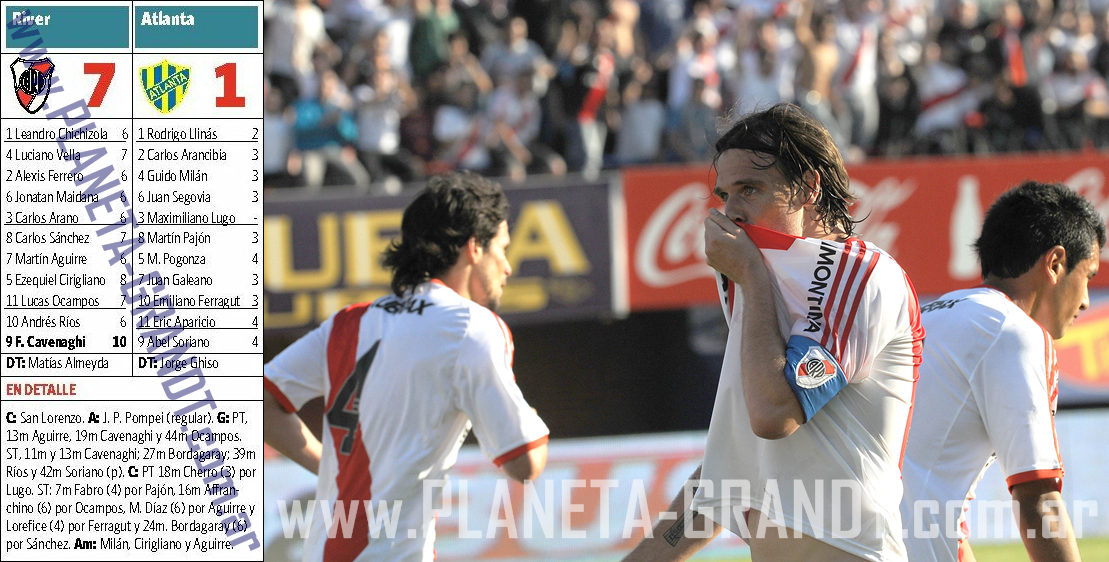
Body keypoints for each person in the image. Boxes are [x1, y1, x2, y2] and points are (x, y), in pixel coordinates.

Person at [623, 103, 923, 562]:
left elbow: (773, 416)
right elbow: (731, 468)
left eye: (750, 189)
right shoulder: (757, 282)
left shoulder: (859, 274)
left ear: (807, 187)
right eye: (724, 195)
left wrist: (752, 279)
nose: (732, 212)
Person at [263, 172, 550, 562]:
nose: (508, 267)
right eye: (503, 248)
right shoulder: (472, 328)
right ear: (474, 248)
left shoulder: (349, 322)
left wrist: (328, 468)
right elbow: (525, 463)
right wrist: (531, 420)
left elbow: (261, 402)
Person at [900, 181, 1100, 562]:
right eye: (1088, 274)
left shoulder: (931, 316)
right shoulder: (1014, 332)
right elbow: (1039, 502)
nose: (1088, 300)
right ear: (1055, 263)